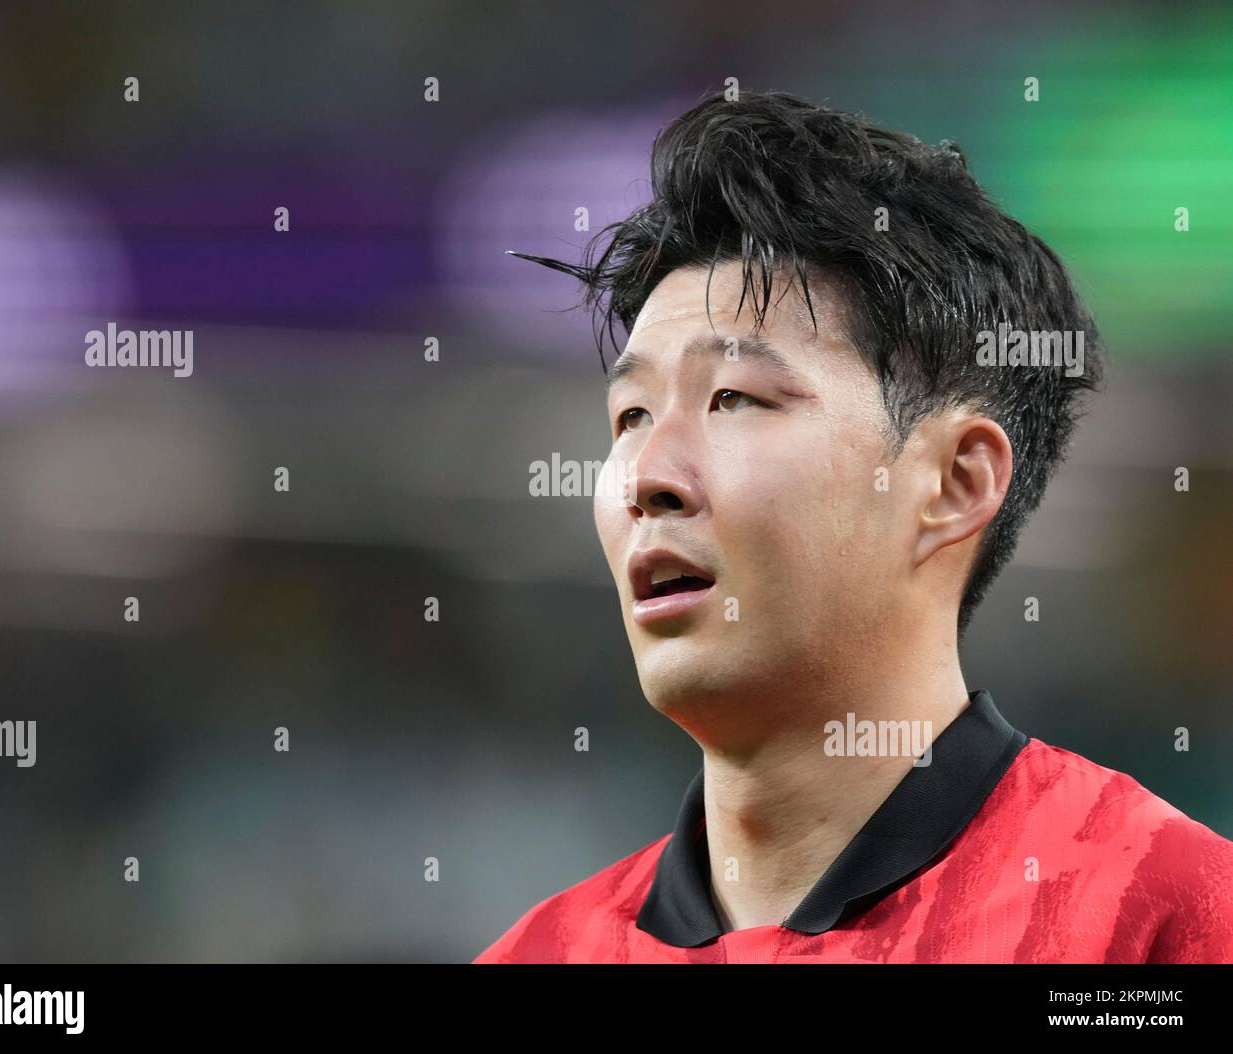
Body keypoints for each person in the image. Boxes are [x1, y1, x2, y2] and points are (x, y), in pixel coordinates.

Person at [475, 90, 1233, 963]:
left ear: (953, 483)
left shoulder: (1156, 919)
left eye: (733, 399)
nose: (646, 479)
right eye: (631, 415)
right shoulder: (538, 953)